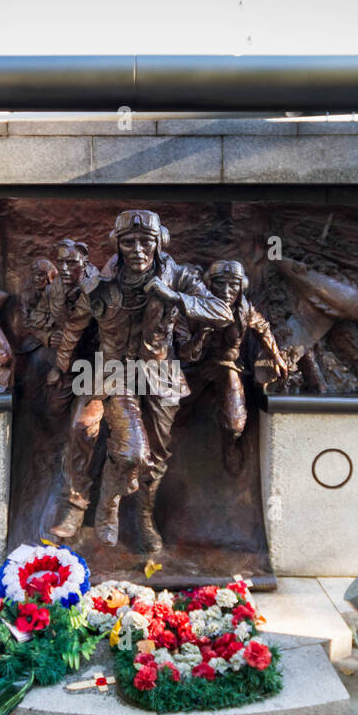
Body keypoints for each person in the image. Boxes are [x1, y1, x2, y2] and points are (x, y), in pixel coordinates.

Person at [51, 210, 233, 552]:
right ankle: (89, 505)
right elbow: (75, 327)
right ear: (116, 245)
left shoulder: (177, 277)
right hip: (112, 372)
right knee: (105, 438)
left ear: (159, 243)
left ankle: (145, 517)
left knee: (156, 457)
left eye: (146, 241)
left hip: (160, 374)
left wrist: (175, 297)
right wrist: (60, 366)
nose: (137, 249)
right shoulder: (99, 285)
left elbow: (223, 312)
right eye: (129, 242)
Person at [177, 260, 290, 474]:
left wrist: (276, 356)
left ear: (241, 286)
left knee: (235, 423)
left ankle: (230, 446)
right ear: (209, 285)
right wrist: (202, 334)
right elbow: (183, 350)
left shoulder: (244, 309)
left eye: (233, 285)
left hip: (227, 366)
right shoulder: (192, 308)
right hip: (194, 366)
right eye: (221, 284)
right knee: (175, 407)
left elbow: (262, 328)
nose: (227, 291)